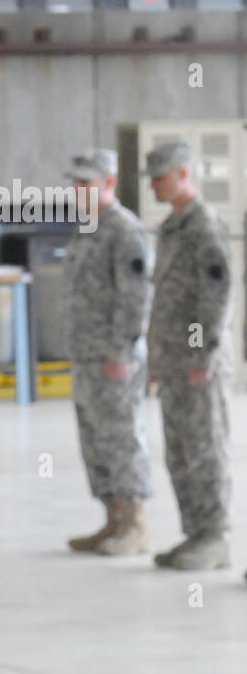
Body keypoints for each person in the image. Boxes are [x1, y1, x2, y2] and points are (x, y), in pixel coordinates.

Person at [144, 141, 233, 571]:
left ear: (183, 175)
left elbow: (214, 298)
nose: (153, 185)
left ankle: (215, 536)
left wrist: (202, 355)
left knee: (204, 448)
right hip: (174, 361)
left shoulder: (204, 227)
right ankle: (196, 532)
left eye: (160, 177)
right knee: (179, 451)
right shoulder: (171, 228)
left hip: (197, 364)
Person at [61, 148, 154, 556]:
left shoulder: (125, 231)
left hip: (114, 357)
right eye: (75, 183)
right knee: (95, 437)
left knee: (121, 436)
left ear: (109, 184)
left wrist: (122, 350)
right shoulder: (86, 229)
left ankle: (135, 524)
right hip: (86, 354)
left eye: (87, 183)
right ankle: (112, 518)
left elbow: (136, 298)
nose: (78, 190)